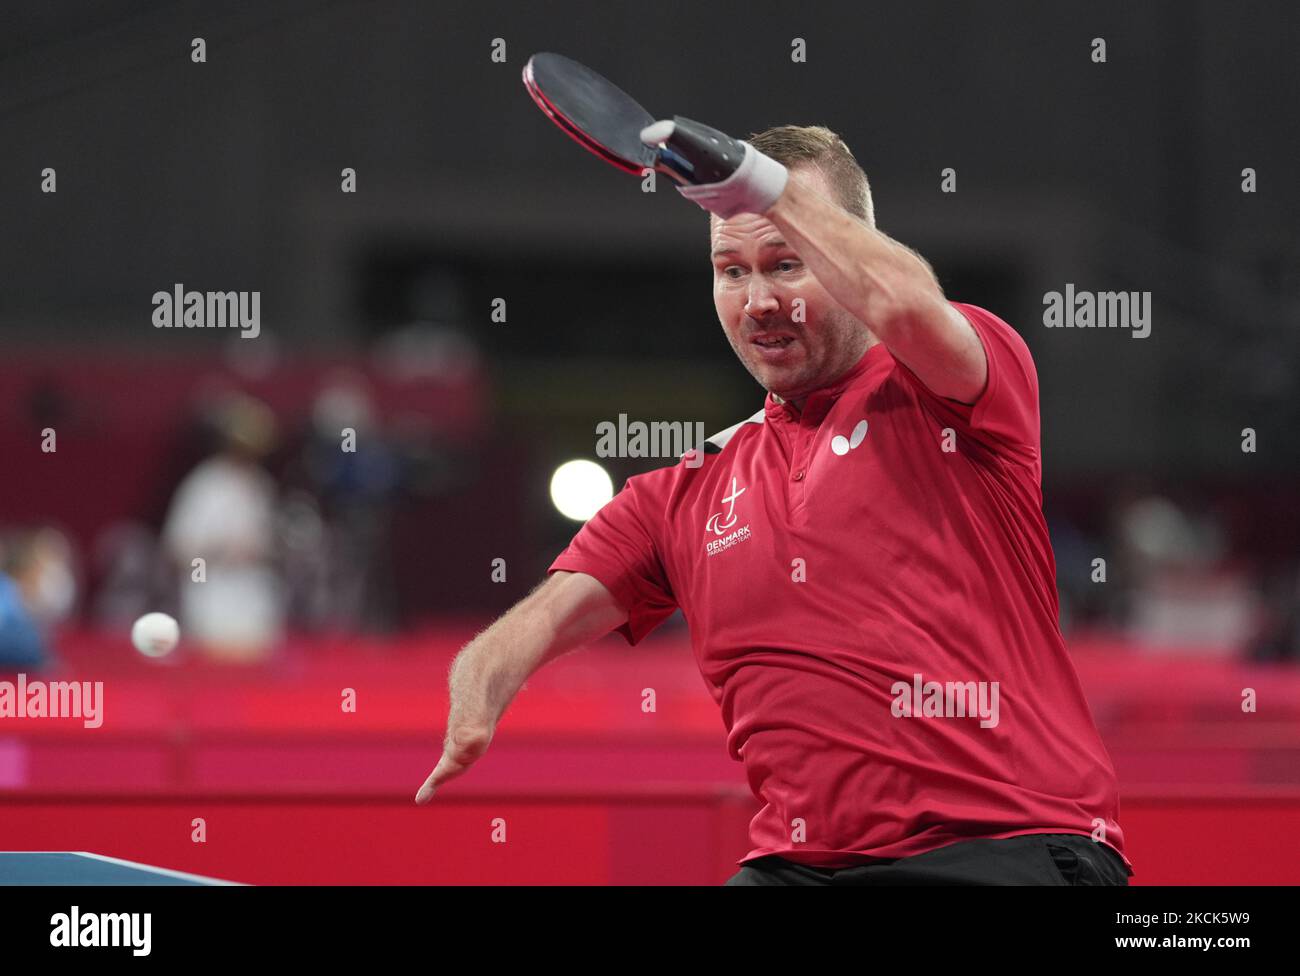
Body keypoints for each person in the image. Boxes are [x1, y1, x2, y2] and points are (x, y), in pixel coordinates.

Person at [415, 123, 1132, 886]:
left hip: (1004, 849)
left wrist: (764, 187)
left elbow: (905, 306)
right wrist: (479, 689)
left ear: (849, 251)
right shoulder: (682, 494)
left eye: (788, 261)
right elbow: (536, 622)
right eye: (732, 270)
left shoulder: (956, 390)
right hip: (796, 869)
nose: (759, 301)